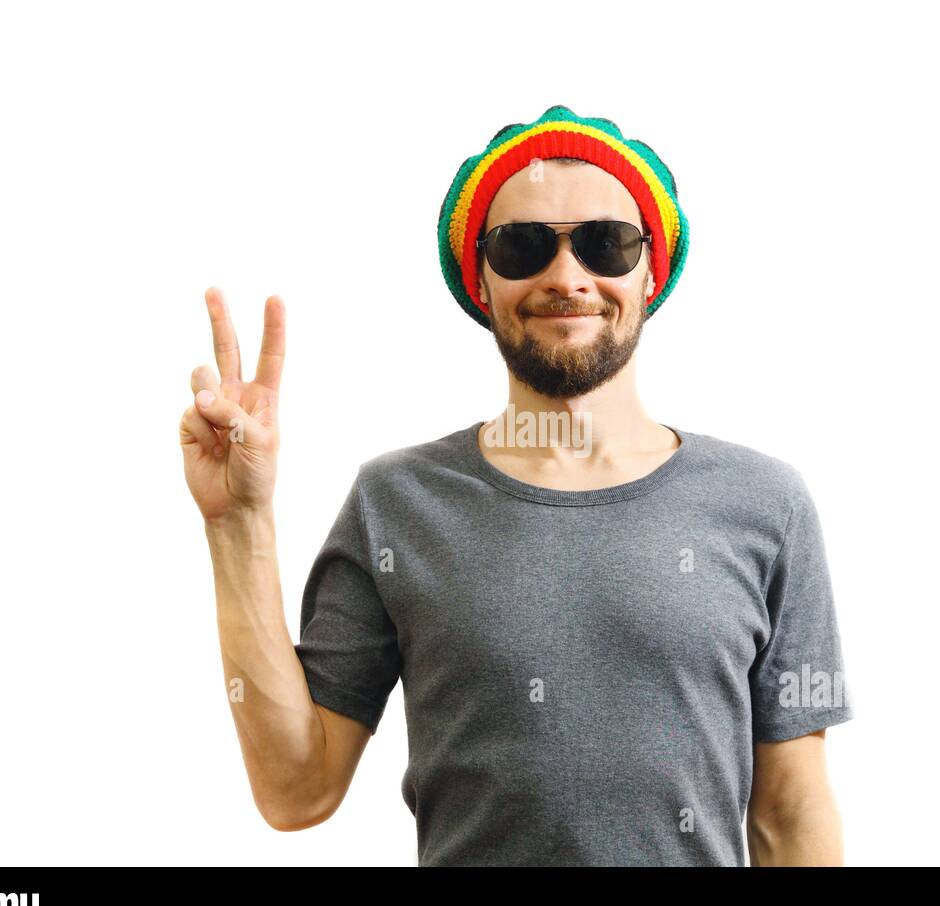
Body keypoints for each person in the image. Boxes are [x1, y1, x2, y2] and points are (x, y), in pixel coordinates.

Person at [178, 105, 855, 866]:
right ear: (481, 280)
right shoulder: (395, 505)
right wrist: (237, 524)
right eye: (523, 246)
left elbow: (792, 814)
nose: (568, 278)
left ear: (650, 270)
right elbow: (295, 790)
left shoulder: (766, 506)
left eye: (607, 243)